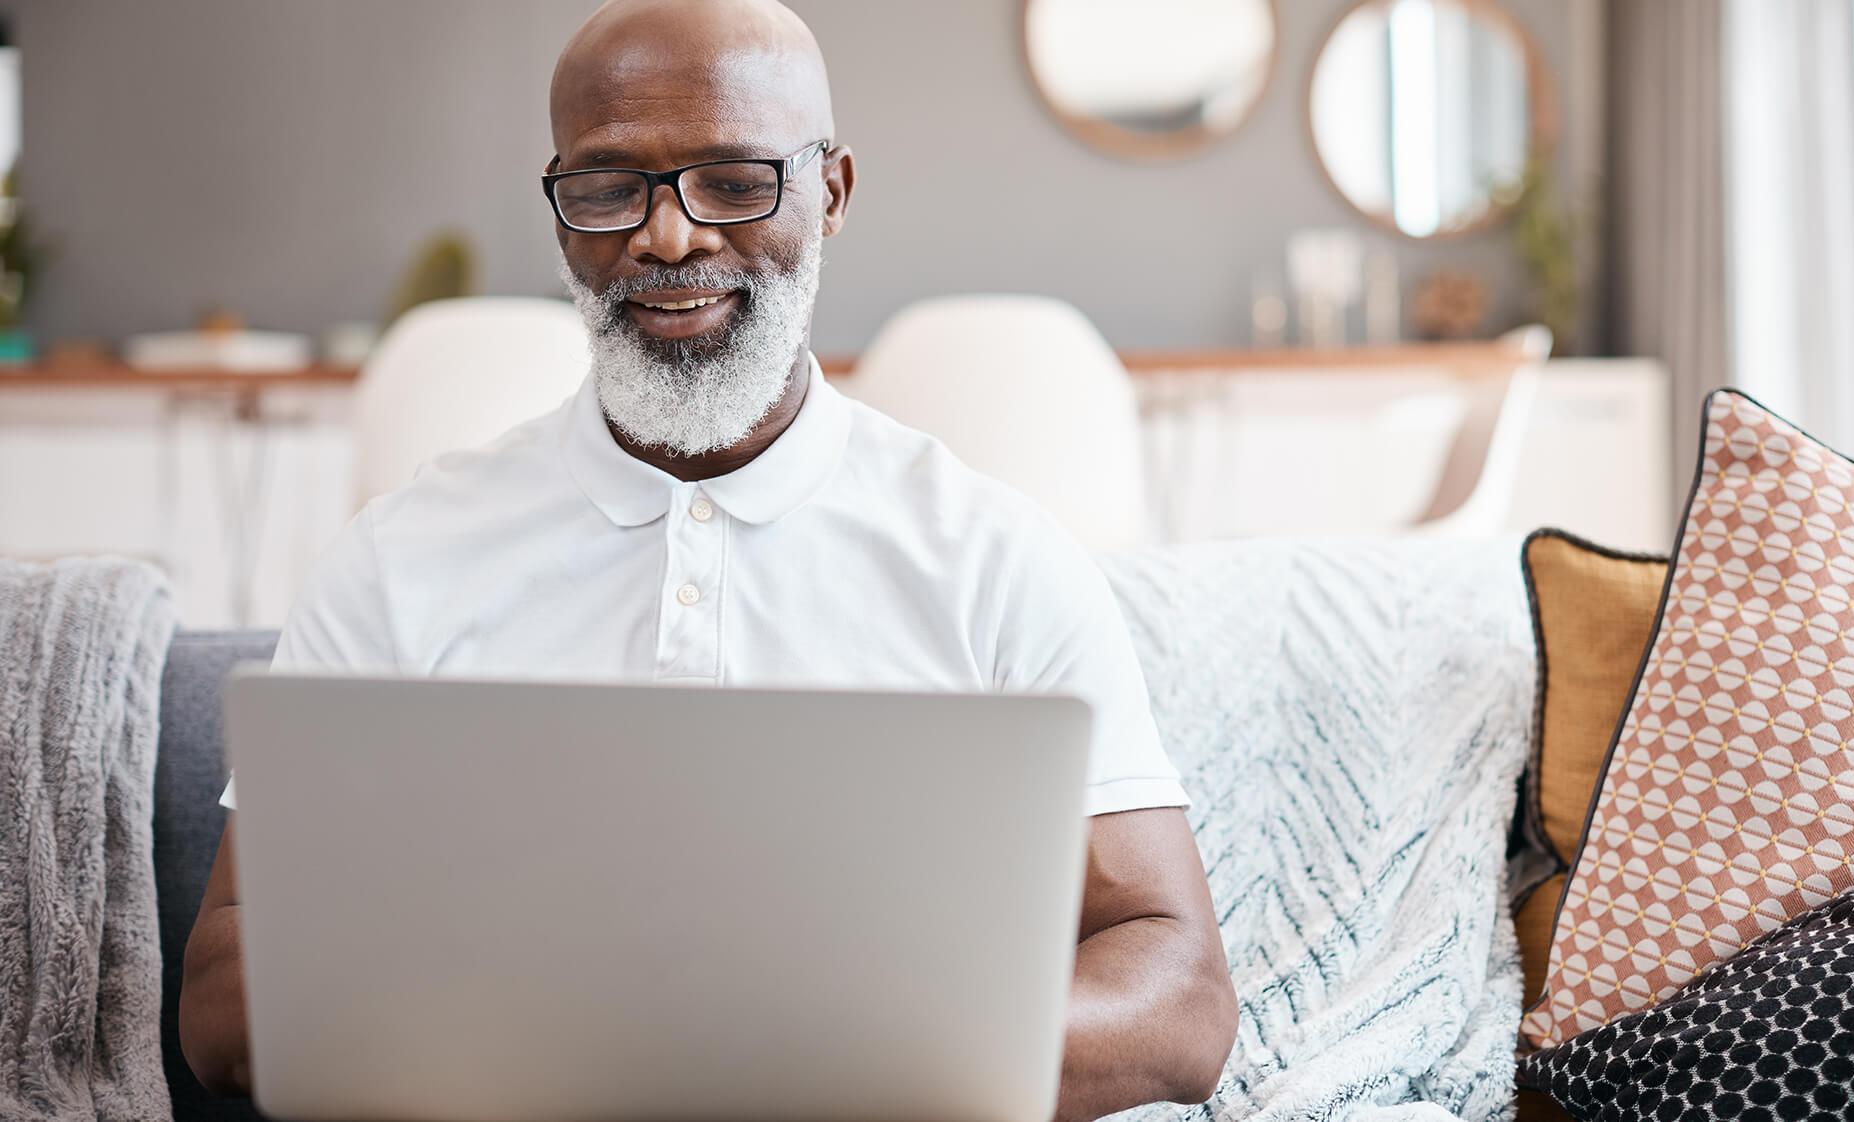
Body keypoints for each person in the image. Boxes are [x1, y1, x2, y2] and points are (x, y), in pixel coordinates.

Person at [179, 1, 1237, 1118]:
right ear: (560, 210)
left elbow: (1178, 996)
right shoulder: (398, 562)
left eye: (733, 182)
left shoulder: (996, 562)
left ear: (828, 195)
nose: (669, 237)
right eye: (607, 187)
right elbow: (220, 998)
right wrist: (585, 1040)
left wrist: (829, 1059)